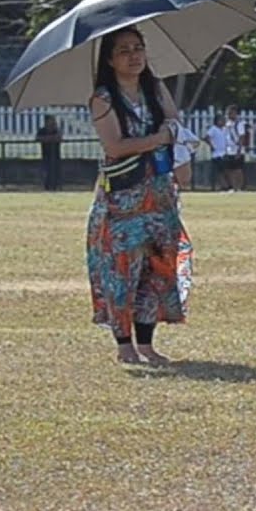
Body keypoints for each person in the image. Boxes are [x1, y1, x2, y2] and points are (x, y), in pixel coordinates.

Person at [86, 26, 192, 365]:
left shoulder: (156, 89)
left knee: (157, 267)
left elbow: (175, 128)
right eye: (124, 51)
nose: (134, 56)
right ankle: (124, 346)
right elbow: (114, 146)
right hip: (122, 199)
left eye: (138, 48)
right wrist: (158, 139)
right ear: (110, 60)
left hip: (159, 194)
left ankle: (147, 344)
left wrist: (177, 153)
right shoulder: (103, 99)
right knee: (121, 270)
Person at [204, 113, 237, 191]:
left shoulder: (224, 130)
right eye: (222, 120)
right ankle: (226, 186)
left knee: (226, 170)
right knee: (222, 171)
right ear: (217, 121)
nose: (224, 121)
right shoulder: (213, 129)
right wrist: (212, 146)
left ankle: (229, 186)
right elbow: (206, 137)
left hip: (224, 153)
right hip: (217, 154)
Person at [223, 104, 249, 191]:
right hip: (229, 150)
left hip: (238, 149)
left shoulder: (239, 123)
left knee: (238, 170)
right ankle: (233, 187)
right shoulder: (227, 124)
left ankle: (240, 187)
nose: (229, 115)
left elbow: (242, 137)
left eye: (231, 113)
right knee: (229, 170)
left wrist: (239, 150)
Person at [36, 114, 63, 191]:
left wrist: (49, 138)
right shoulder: (42, 130)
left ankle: (56, 187)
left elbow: (59, 137)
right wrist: (50, 138)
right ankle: (47, 187)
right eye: (51, 120)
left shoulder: (56, 130)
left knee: (56, 172)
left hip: (56, 156)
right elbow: (38, 138)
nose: (53, 122)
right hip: (46, 155)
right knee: (46, 172)